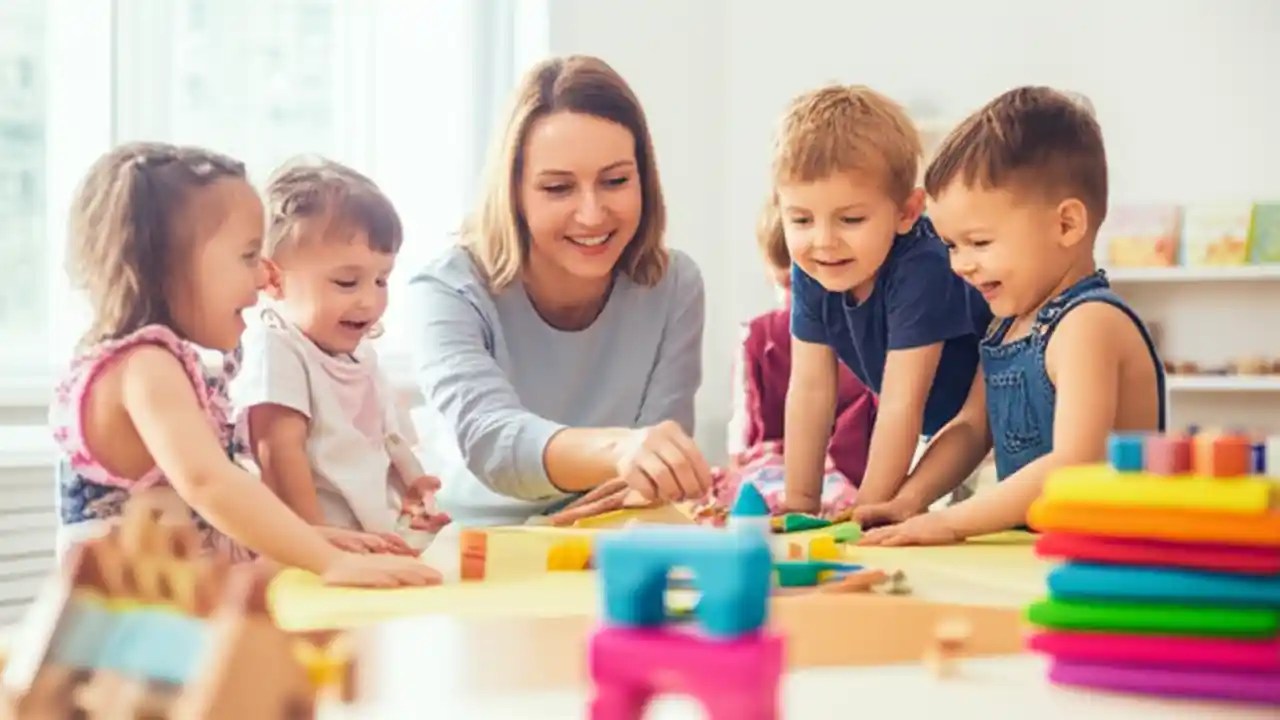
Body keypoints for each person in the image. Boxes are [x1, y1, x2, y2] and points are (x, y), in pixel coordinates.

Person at [49, 141, 440, 587]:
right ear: (169, 266)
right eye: (249, 256)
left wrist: (311, 540)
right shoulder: (145, 368)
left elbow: (210, 519)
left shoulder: (159, 364)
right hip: (128, 620)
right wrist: (330, 562)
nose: (263, 276)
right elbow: (209, 485)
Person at [406, 55, 712, 525]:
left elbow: (657, 463)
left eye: (615, 181)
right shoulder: (446, 290)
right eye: (557, 188)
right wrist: (620, 449)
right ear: (514, 192)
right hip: (473, 539)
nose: (591, 214)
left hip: (609, 534)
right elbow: (491, 442)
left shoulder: (674, 286)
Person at [859, 87, 1165, 545]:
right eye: (951, 246)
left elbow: (1074, 463)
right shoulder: (1006, 327)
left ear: (1066, 225)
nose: (960, 264)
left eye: (979, 243)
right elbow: (971, 427)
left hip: (1116, 553)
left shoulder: (1089, 324)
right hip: (1048, 545)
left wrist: (949, 521)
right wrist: (910, 499)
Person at [775, 84, 992, 518]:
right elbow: (810, 390)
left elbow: (900, 403)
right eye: (800, 219)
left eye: (851, 219)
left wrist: (867, 509)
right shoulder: (813, 267)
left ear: (907, 212)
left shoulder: (923, 266)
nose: (823, 241)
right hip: (933, 435)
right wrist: (799, 504)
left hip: (992, 431)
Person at [229, 157, 451, 554]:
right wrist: (316, 541)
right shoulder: (277, 347)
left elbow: (387, 439)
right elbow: (277, 453)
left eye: (381, 279)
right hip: (311, 549)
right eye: (347, 282)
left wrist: (412, 486)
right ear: (274, 279)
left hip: (368, 542)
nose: (369, 300)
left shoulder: (361, 355)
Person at [704, 198, 876, 518]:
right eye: (787, 285)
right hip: (777, 470)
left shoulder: (866, 340)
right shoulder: (758, 338)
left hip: (856, 477)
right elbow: (742, 436)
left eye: (804, 286)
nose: (797, 300)